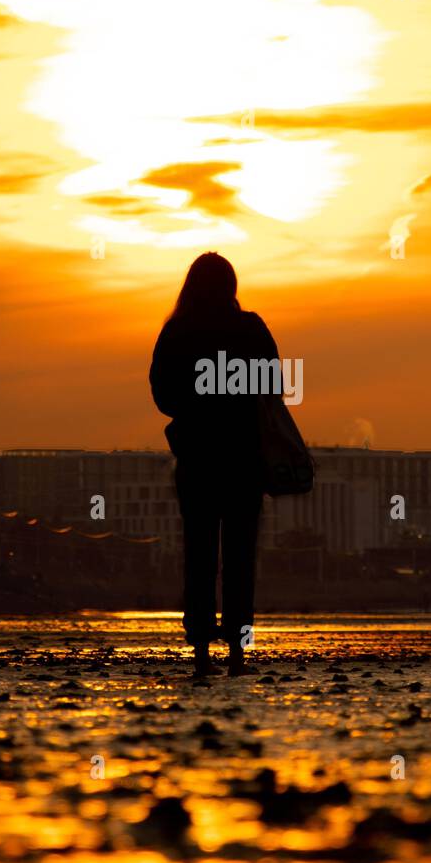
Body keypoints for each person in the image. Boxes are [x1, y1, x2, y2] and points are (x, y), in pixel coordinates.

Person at [150, 253, 278, 678]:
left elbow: (162, 394)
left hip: (198, 460)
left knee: (199, 555)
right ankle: (239, 654)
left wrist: (195, 407)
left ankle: (202, 651)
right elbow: (272, 387)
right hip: (243, 460)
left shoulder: (177, 331)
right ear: (232, 286)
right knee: (240, 559)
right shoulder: (251, 329)